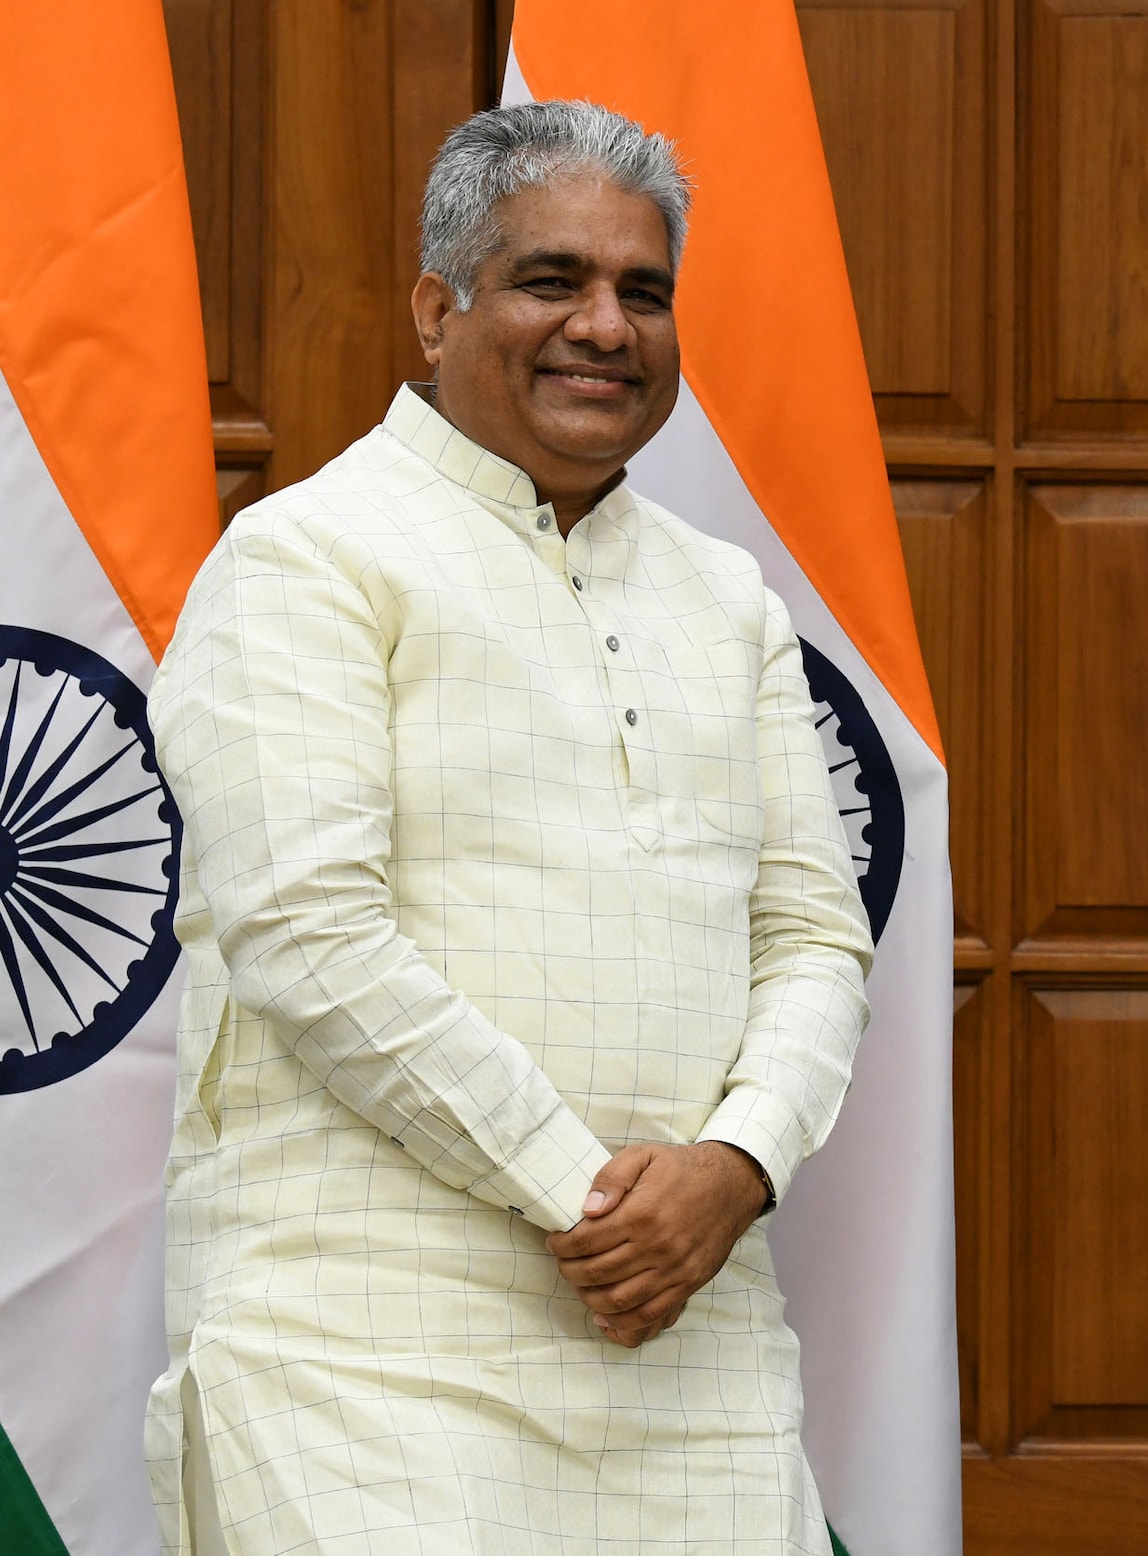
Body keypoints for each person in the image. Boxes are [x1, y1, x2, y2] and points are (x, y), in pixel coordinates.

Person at [142, 100, 872, 1555]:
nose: (606, 326)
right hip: (361, 1362)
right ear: (437, 309)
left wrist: (734, 1168)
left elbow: (813, 938)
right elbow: (309, 938)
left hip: (692, 1362)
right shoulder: (305, 557)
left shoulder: (727, 601)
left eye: (643, 292)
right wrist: (590, 1200)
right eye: (552, 280)